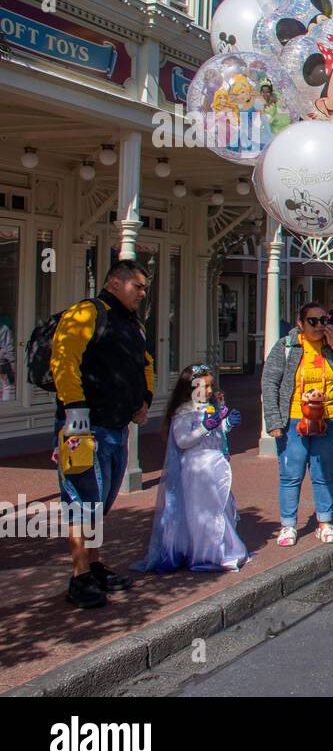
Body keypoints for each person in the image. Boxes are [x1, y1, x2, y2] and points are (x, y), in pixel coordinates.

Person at [51, 260, 154, 609]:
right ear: (114, 282)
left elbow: (146, 363)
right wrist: (75, 407)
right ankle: (79, 578)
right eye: (137, 286)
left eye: (144, 287)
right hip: (85, 428)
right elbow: (64, 358)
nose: (143, 292)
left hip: (116, 427)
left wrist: (145, 400)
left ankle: (93, 565)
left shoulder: (132, 324)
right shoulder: (87, 312)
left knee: (102, 501)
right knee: (82, 500)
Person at [262, 301, 333, 547]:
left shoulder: (332, 347)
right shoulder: (286, 347)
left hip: (327, 420)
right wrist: (274, 420)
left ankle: (325, 522)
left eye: (323, 320)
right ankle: (288, 525)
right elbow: (269, 383)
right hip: (294, 420)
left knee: (324, 474)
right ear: (300, 323)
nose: (319, 326)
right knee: (291, 474)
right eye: (313, 321)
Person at [138, 363, 248, 573]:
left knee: (219, 509)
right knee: (201, 513)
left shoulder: (209, 408)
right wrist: (205, 427)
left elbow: (217, 435)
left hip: (216, 467)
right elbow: (183, 440)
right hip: (197, 470)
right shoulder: (183, 412)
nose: (209, 391)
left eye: (210, 386)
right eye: (204, 386)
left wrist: (227, 424)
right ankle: (202, 552)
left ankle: (219, 550)